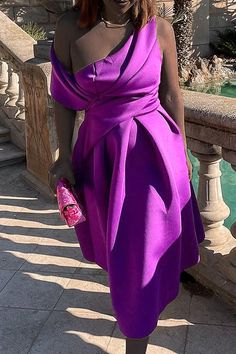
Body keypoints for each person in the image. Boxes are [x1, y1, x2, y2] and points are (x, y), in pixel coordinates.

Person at [48, 1, 205, 353]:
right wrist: (63, 157)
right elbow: (62, 99)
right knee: (118, 248)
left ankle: (137, 333)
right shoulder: (70, 27)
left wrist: (181, 152)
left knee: (139, 255)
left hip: (154, 159)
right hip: (100, 159)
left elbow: (171, 94)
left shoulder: (160, 29)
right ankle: (135, 306)